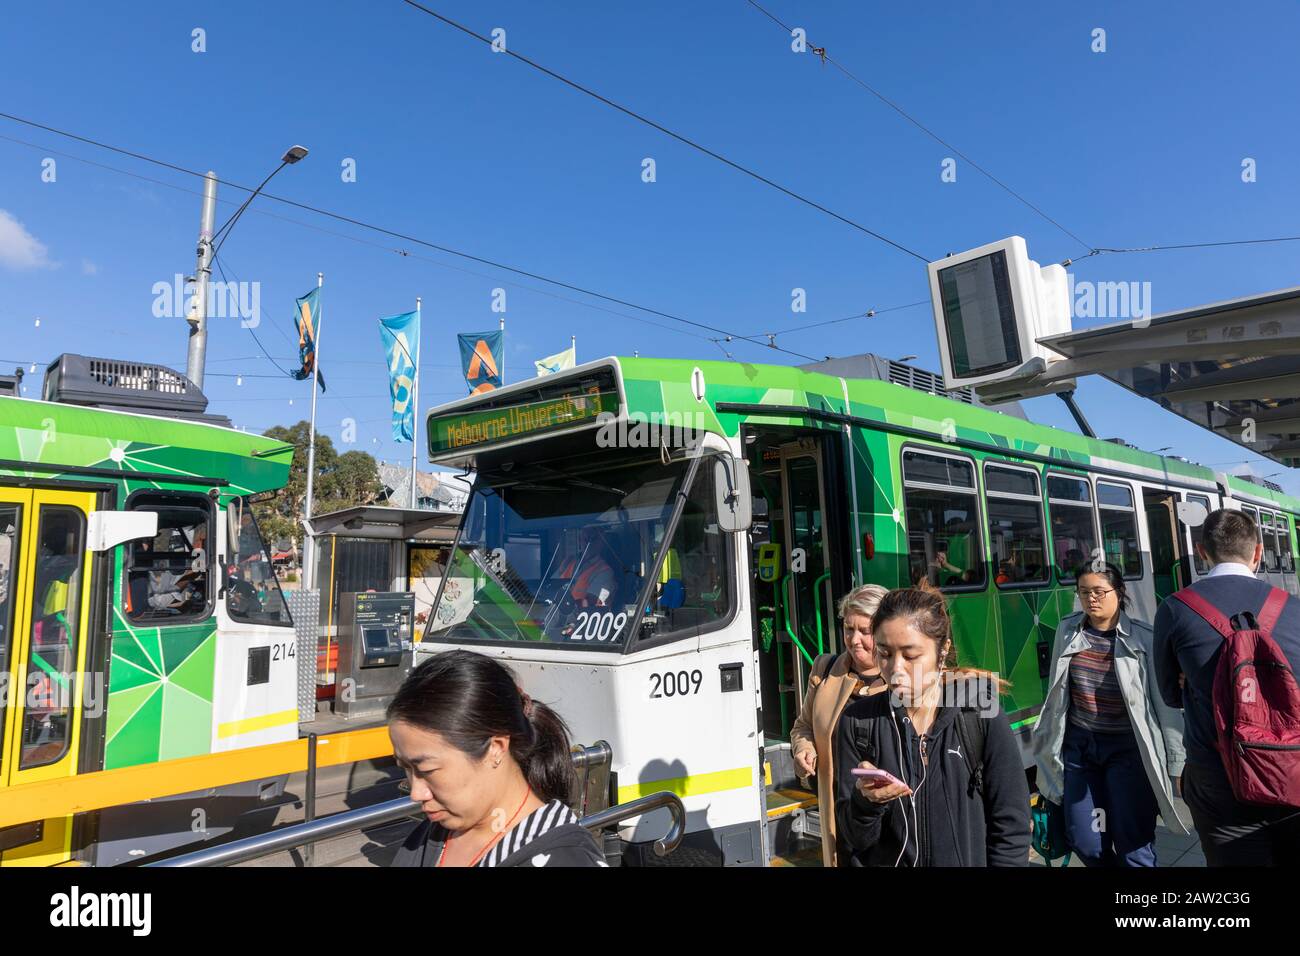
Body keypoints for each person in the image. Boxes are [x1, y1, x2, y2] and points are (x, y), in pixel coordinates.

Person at [835, 587, 1030, 866]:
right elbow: (854, 840)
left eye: (911, 656)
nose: (895, 668)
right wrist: (865, 802)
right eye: (885, 653)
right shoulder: (857, 722)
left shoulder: (979, 714)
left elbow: (1011, 827)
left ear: (943, 650)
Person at [1154, 508, 1300, 865]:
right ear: (1258, 552)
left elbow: (1170, 695)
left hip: (1217, 777)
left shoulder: (1175, 608)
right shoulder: (1294, 608)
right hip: (1291, 770)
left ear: (1201, 551)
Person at [1032, 561, 1187, 866]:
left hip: (1127, 753)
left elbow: (1165, 706)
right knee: (1086, 841)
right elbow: (1056, 694)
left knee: (1133, 845)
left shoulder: (1143, 638)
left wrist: (1177, 764)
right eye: (1084, 592)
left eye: (1100, 591)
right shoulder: (1068, 630)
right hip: (1081, 750)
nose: (1092, 598)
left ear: (1119, 592)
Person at [389, 649, 605, 867]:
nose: (416, 794)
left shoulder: (566, 859)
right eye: (405, 768)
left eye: (427, 770)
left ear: (496, 747)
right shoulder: (431, 835)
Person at [790, 583, 890, 867]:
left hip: (888, 822)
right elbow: (803, 726)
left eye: (865, 631)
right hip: (839, 818)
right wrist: (803, 750)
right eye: (848, 628)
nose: (854, 639)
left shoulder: (904, 680)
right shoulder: (825, 669)